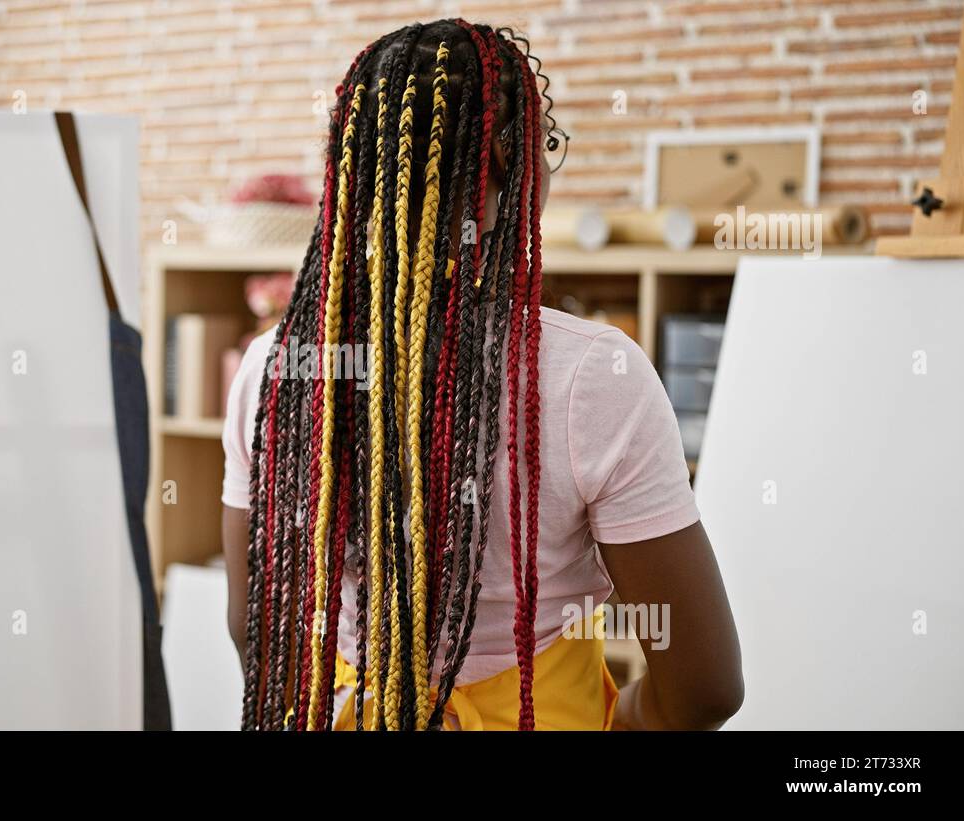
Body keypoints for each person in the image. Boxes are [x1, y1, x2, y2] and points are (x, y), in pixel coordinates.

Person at [221, 19, 742, 731]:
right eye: (545, 148)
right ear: (511, 159)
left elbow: (255, 628)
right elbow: (705, 688)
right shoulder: (594, 376)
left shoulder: (275, 367)